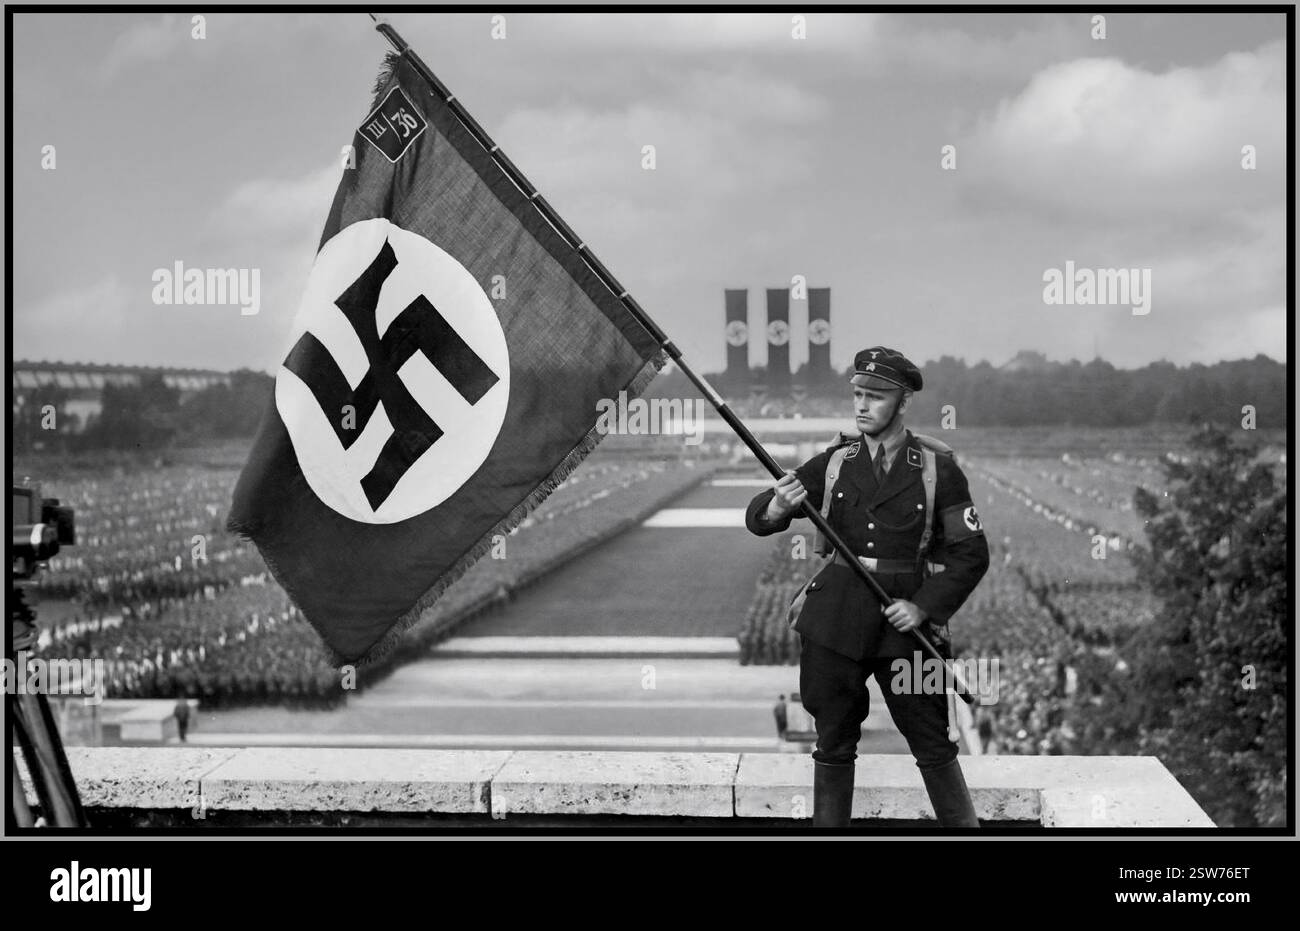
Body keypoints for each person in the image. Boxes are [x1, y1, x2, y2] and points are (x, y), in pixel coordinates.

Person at [745, 346, 989, 828]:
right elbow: (759, 517)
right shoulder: (835, 462)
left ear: (902, 403)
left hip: (905, 621)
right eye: (857, 394)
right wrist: (777, 506)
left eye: (875, 397)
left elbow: (970, 553)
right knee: (832, 740)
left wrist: (922, 608)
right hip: (834, 618)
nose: (862, 405)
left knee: (932, 740)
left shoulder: (938, 469)